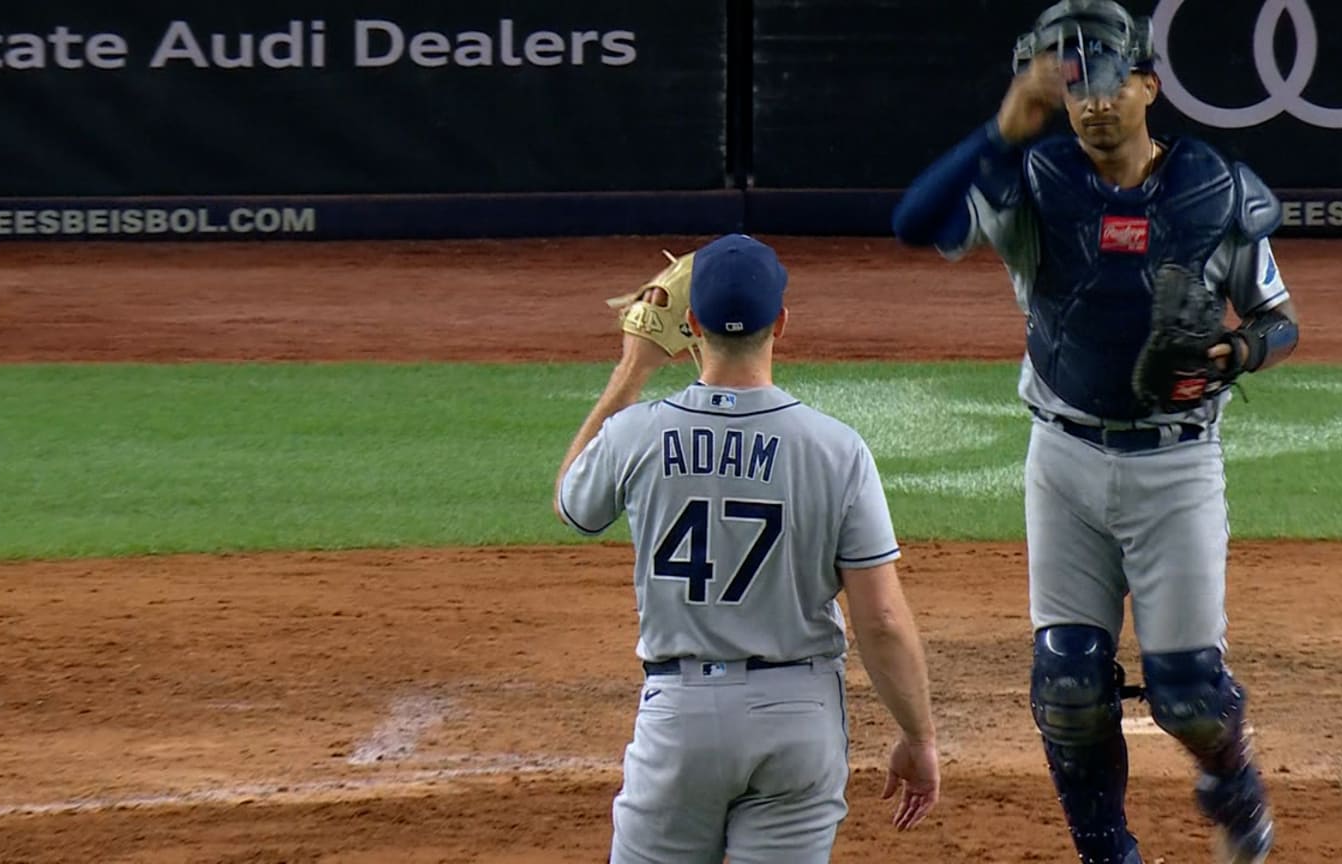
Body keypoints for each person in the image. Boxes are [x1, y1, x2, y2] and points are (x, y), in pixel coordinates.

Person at [890, 2, 1299, 863]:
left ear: (1149, 85)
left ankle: (1231, 778)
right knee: (1069, 686)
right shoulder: (1034, 187)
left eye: (1113, 81)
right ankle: (1108, 854)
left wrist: (1236, 351)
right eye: (1076, 88)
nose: (1097, 103)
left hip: (1176, 465)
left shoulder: (1216, 189)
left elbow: (1277, 320)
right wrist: (1000, 132)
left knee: (1189, 699)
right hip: (1064, 458)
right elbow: (914, 224)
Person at [554, 233, 941, 863]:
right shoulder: (837, 449)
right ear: (781, 322)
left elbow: (574, 503)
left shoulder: (636, 434)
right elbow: (883, 621)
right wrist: (918, 737)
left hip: (678, 717)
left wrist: (635, 365)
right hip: (797, 717)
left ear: (692, 324)